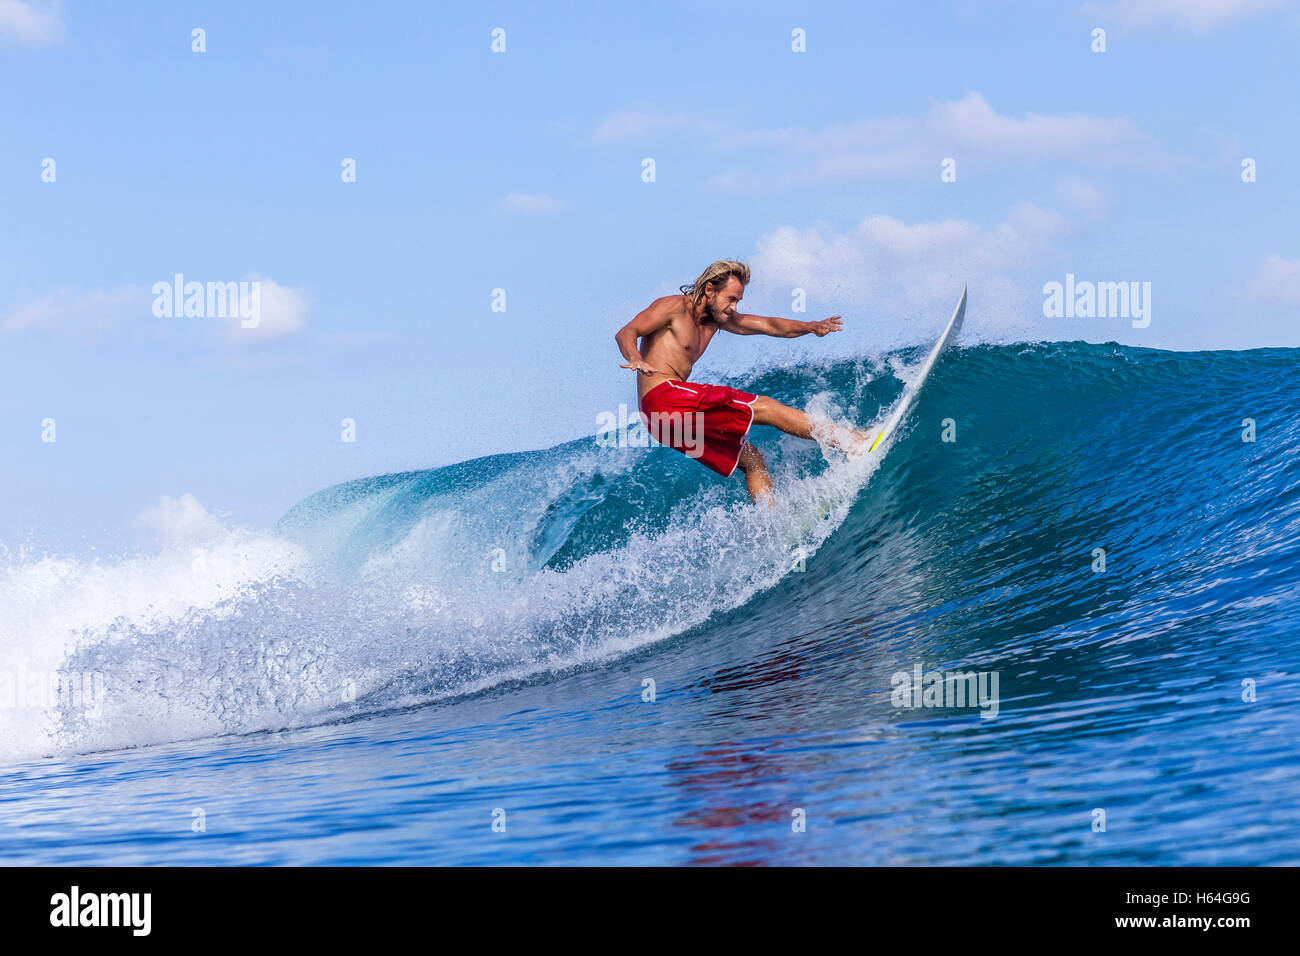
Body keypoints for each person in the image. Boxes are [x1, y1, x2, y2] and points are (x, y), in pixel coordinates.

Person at [614, 259, 868, 504]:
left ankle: (770, 523)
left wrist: (810, 326)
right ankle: (851, 442)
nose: (734, 307)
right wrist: (635, 357)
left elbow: (768, 325)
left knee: (752, 460)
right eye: (731, 299)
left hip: (659, 421)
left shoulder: (717, 320)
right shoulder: (673, 307)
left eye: (738, 301)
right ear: (710, 289)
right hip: (664, 396)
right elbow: (626, 332)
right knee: (767, 408)